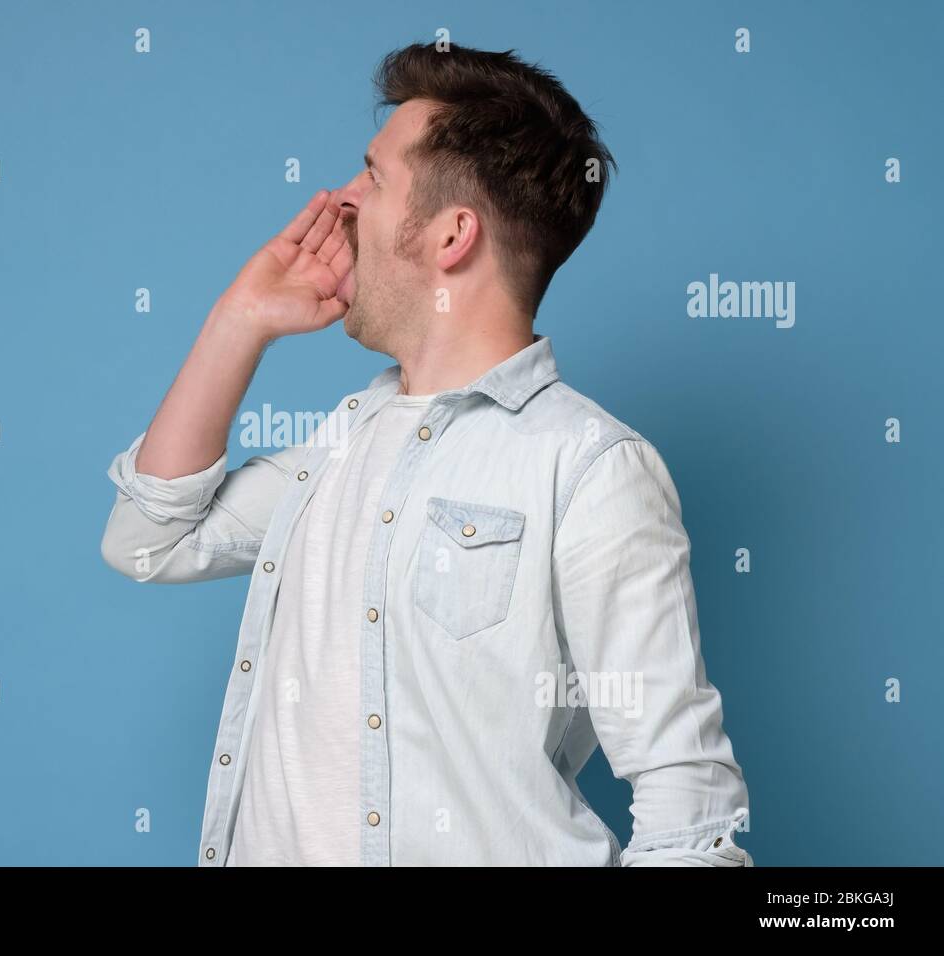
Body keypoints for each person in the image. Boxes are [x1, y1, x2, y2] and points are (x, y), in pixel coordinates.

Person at [101, 42, 751, 866]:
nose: (336, 202)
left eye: (371, 177)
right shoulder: (338, 446)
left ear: (452, 235)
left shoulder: (589, 469)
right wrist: (239, 322)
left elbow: (687, 811)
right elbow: (147, 540)